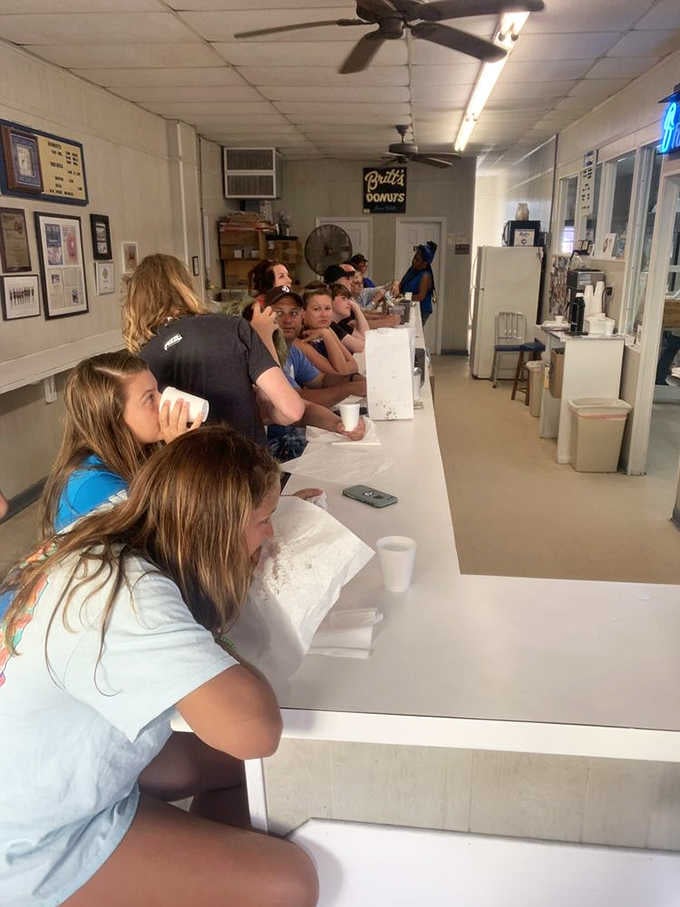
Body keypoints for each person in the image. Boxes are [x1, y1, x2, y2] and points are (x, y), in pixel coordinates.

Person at [0, 426, 318, 907]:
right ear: (218, 530)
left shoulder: (121, 519)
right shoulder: (125, 593)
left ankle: (193, 872)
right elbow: (256, 731)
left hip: (43, 768)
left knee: (236, 768)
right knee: (289, 883)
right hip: (31, 846)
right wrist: (211, 639)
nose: (269, 534)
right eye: (263, 520)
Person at [121, 253, 304, 446]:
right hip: (252, 465)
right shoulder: (234, 328)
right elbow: (292, 410)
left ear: (136, 300)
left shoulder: (143, 361)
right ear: (186, 286)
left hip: (192, 469)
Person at [40, 351, 201, 534]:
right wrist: (180, 458)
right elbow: (171, 538)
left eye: (158, 391)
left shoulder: (140, 451)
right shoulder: (93, 487)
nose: (163, 402)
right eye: (149, 398)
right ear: (113, 417)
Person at [296, 285, 361, 377]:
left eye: (327, 308)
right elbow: (341, 373)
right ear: (303, 313)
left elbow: (354, 365)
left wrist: (326, 333)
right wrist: (326, 334)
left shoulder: (327, 329)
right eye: (316, 309)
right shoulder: (301, 342)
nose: (324, 315)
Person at [399, 240, 437, 325]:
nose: (414, 261)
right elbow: (403, 283)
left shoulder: (425, 276)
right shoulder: (412, 269)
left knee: (416, 333)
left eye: (417, 259)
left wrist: (403, 297)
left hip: (421, 310)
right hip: (409, 305)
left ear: (425, 263)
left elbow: (420, 296)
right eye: (414, 257)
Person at [329, 282, 369, 354]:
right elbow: (361, 347)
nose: (350, 303)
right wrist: (356, 308)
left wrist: (357, 308)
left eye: (349, 299)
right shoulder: (330, 326)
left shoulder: (340, 323)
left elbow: (366, 337)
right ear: (330, 301)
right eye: (344, 298)